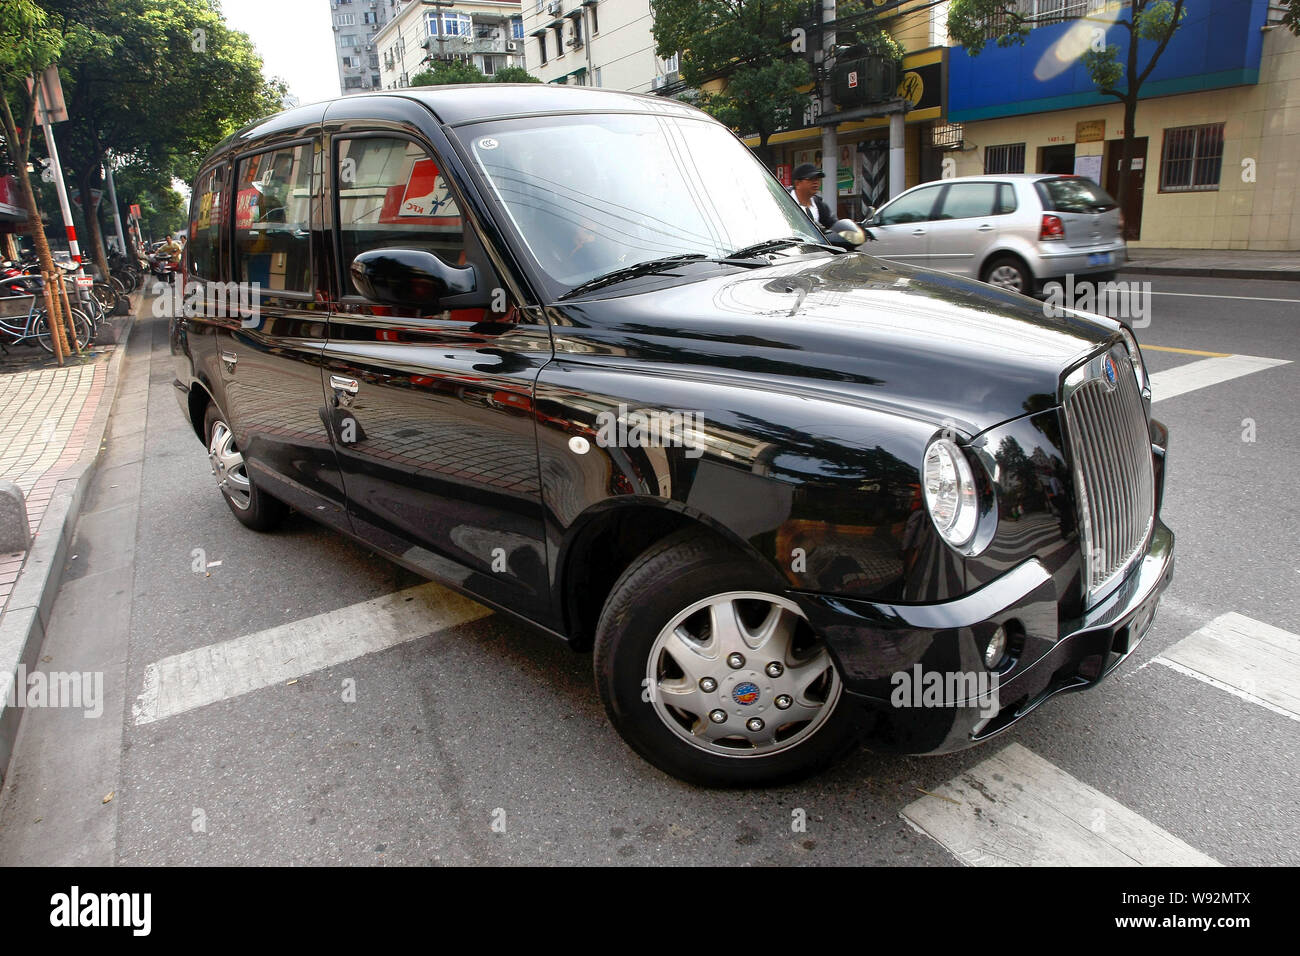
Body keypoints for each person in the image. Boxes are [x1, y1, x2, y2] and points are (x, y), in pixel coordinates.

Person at [788, 162, 836, 230]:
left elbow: (833, 226)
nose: (816, 182)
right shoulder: (783, 202)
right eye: (811, 179)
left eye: (817, 179)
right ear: (797, 183)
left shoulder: (820, 206)